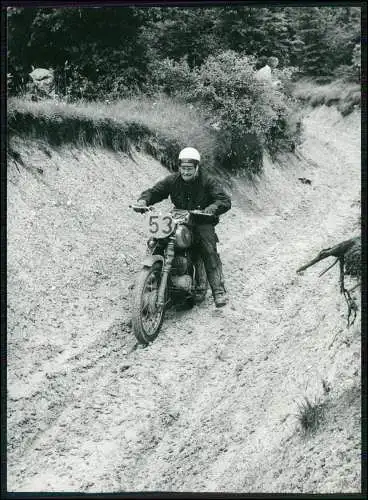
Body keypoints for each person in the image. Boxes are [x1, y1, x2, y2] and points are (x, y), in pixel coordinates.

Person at [134, 147, 231, 308]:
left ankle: (218, 291)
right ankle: (144, 280)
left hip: (201, 220)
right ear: (179, 167)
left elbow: (224, 200)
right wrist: (143, 201)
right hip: (179, 218)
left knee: (208, 247)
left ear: (197, 167)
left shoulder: (208, 181)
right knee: (156, 241)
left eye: (189, 169)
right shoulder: (173, 180)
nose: (185, 172)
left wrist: (210, 209)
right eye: (183, 168)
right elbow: (156, 191)